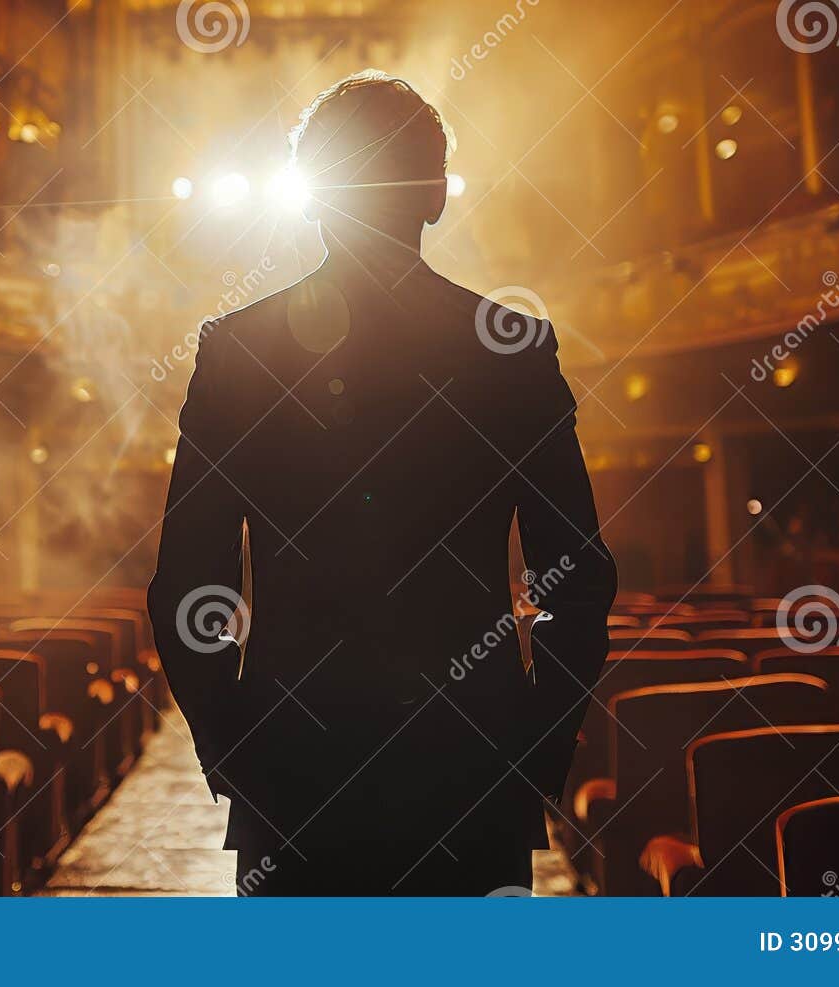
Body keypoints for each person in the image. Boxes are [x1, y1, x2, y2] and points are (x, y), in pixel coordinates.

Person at [148, 71, 616, 895]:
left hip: (292, 774)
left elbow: (189, 582)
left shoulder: (238, 350)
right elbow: (575, 574)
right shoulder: (507, 348)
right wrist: (536, 749)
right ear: (436, 195)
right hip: (472, 768)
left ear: (310, 198)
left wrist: (232, 751)